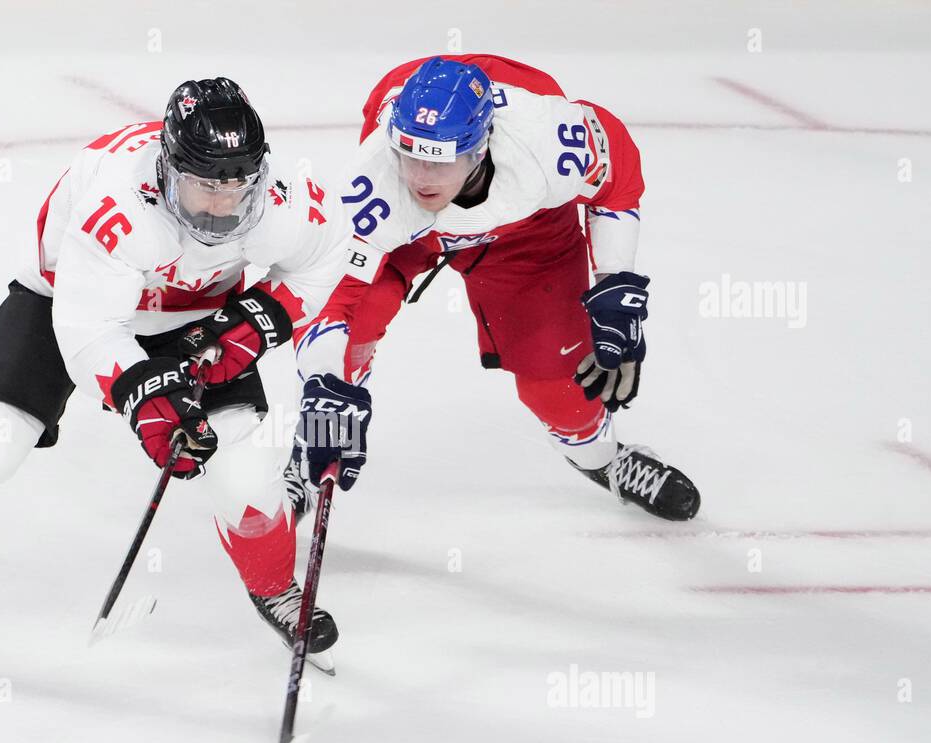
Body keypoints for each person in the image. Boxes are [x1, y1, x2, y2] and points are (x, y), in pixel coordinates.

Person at [0, 78, 350, 669]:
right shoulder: (120, 206)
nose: (224, 204)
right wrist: (148, 401)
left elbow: (326, 256)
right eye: (205, 185)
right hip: (64, 300)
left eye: (236, 185)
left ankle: (275, 586)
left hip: (196, 314)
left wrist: (261, 320)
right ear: (168, 168)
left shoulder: (281, 200)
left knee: (244, 471)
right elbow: (91, 328)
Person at [290, 55, 701, 521]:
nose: (421, 177)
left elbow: (618, 176)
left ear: (481, 148)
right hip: (410, 233)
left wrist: (614, 282)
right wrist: (325, 392)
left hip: (527, 232)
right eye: (410, 153)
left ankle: (604, 460)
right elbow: (326, 302)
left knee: (562, 391)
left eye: (440, 160)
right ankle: (309, 458)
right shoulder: (374, 188)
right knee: (351, 332)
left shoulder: (545, 142)